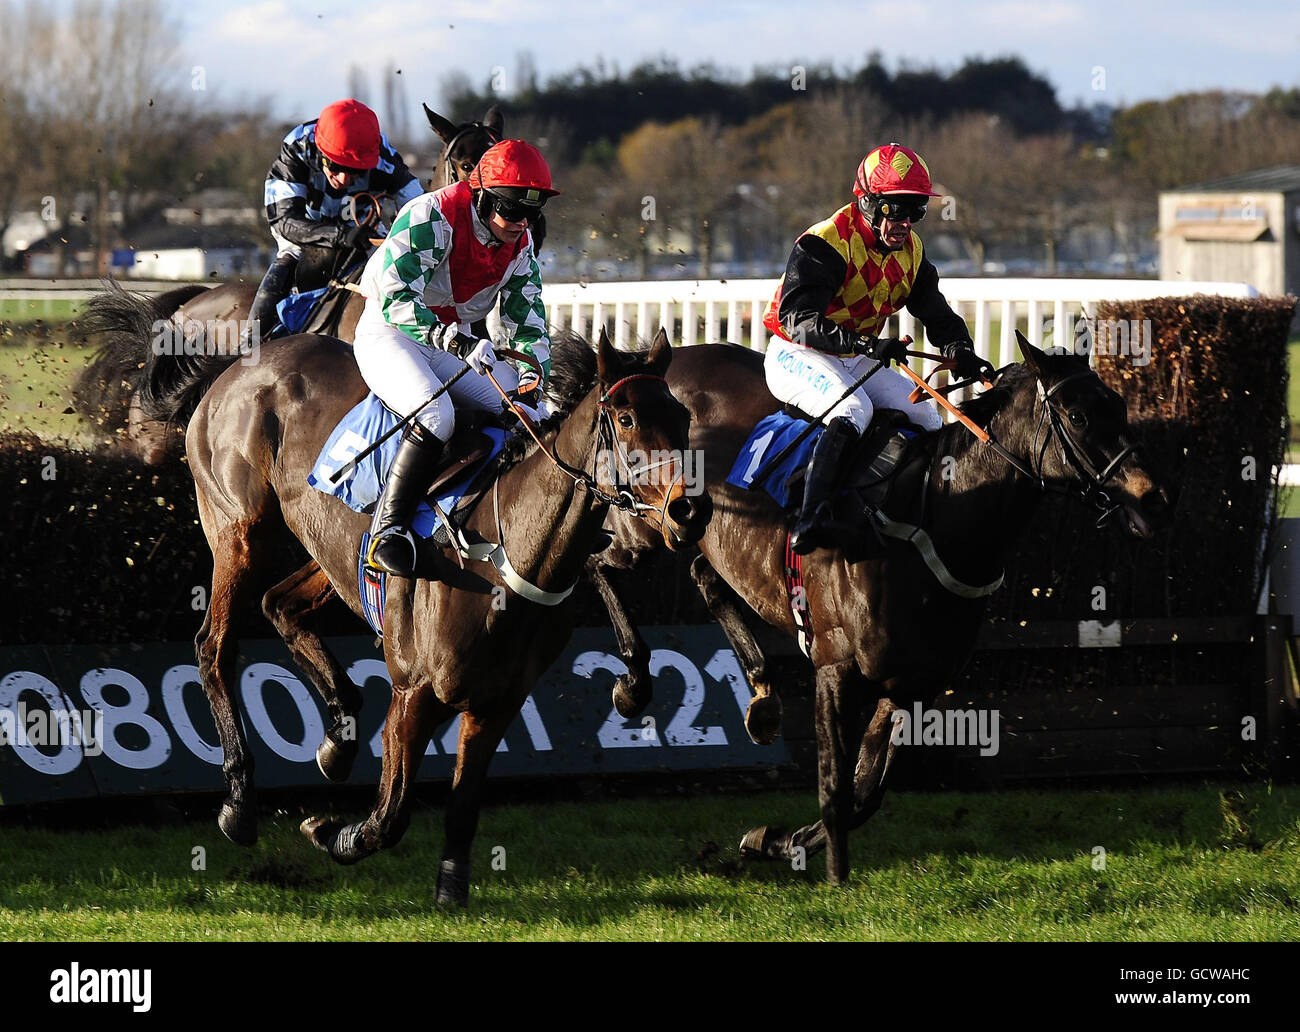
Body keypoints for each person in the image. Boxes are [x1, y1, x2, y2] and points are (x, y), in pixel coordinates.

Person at [762, 142, 995, 554]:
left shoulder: (913, 252)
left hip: (853, 355)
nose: (905, 222)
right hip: (795, 352)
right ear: (866, 201)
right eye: (894, 209)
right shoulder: (825, 243)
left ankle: (923, 514)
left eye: (916, 211)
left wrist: (961, 348)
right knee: (855, 410)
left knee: (925, 413)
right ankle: (810, 518)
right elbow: (796, 321)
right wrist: (866, 343)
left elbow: (936, 314)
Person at [354, 138, 557, 577]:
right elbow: (394, 299)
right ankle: (388, 531)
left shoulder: (520, 245)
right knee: (436, 414)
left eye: (531, 213)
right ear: (481, 193)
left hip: (451, 342)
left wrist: (532, 372)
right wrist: (458, 342)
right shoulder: (432, 214)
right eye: (511, 209)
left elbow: (529, 322)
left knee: (529, 413)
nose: (520, 222)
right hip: (390, 332)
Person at [250, 98, 424, 342]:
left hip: (364, 232)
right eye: (336, 166)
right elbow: (286, 221)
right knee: (289, 260)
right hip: (304, 232)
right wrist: (340, 235)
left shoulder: (383, 156)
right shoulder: (297, 148)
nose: (343, 178)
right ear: (321, 152)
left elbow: (422, 210)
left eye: (355, 170)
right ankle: (250, 345)